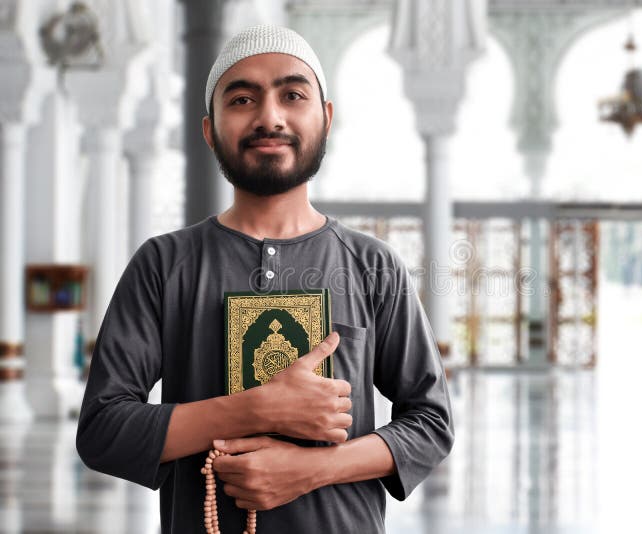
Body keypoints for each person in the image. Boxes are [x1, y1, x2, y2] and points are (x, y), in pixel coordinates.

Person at [76, 24, 454, 533]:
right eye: (242, 100)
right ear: (210, 130)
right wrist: (253, 410)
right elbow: (103, 429)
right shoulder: (164, 264)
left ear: (326, 117)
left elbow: (431, 423)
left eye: (292, 95)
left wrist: (313, 469)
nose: (269, 117)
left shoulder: (372, 265)